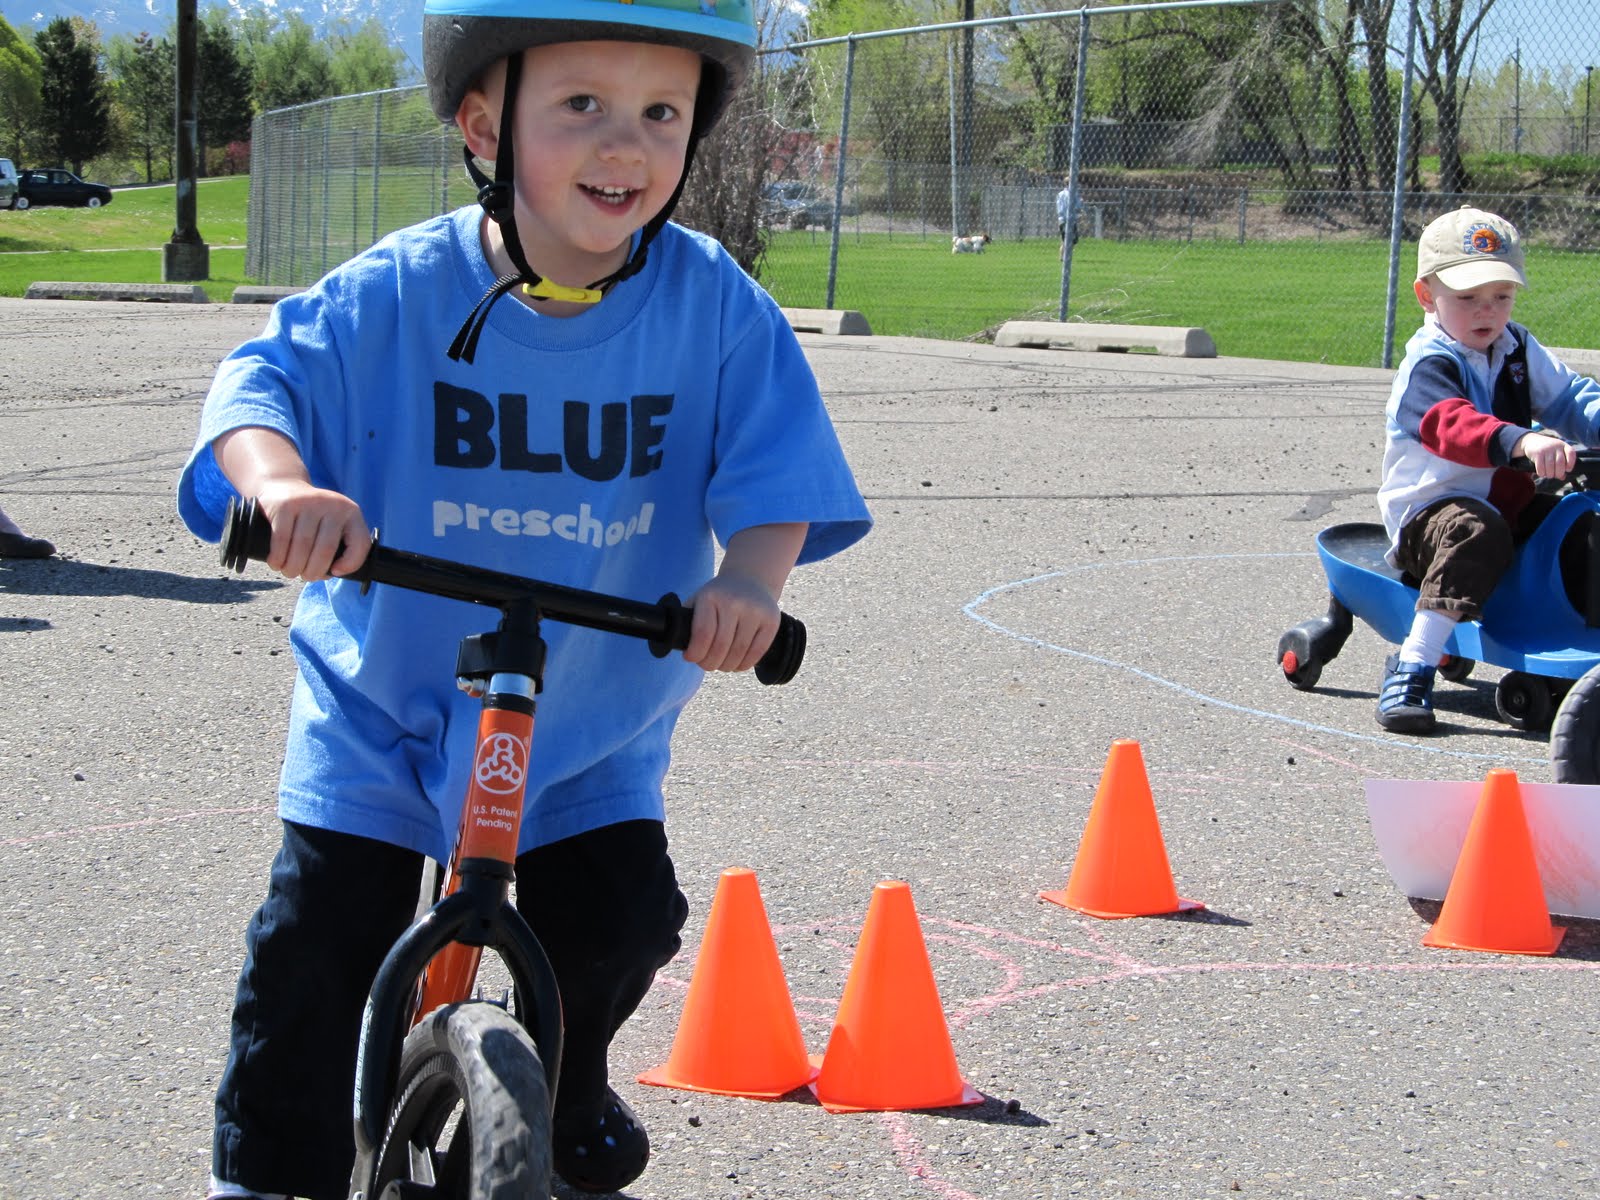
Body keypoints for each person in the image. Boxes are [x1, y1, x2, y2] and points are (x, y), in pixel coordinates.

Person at [176, 2, 872, 1197]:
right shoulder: (400, 290)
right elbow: (259, 387)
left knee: (616, 924)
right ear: (484, 126)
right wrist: (282, 487)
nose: (625, 143)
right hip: (384, 709)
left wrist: (749, 583)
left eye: (661, 111)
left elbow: (776, 471)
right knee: (316, 956)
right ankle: (269, 1176)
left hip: (588, 719)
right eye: (580, 105)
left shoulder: (711, 306)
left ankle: (563, 1082)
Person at [1376, 205, 1600, 734]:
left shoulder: (1515, 346)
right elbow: (1451, 425)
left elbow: (1569, 398)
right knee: (1474, 530)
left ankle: (1574, 634)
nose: (1487, 311)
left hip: (1505, 500)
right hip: (1431, 512)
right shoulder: (1429, 363)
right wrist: (1522, 440)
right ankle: (1413, 664)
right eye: (1468, 298)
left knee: (1581, 519)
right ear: (1426, 296)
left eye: (1501, 296)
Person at [1055, 177, 1081, 257]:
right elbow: (1078, 206)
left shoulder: (1060, 194)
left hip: (1061, 219)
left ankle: (1062, 256)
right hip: (1071, 219)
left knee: (1064, 239)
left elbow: (1059, 207)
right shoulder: (1074, 194)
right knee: (1073, 239)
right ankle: (1067, 255)